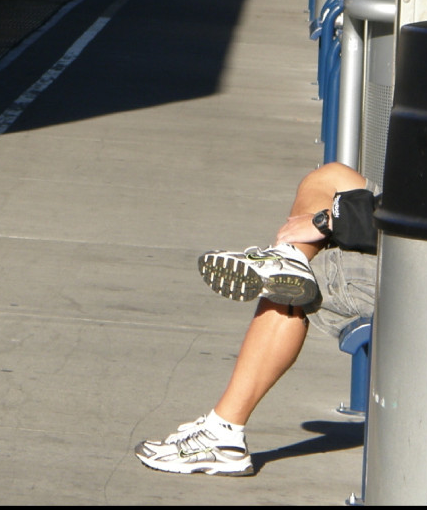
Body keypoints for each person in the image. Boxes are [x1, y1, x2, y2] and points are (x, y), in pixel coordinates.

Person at [134, 161, 377, 476]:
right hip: (426, 234)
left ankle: (224, 433)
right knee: (331, 178)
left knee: (299, 281)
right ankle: (288, 258)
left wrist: (330, 220)